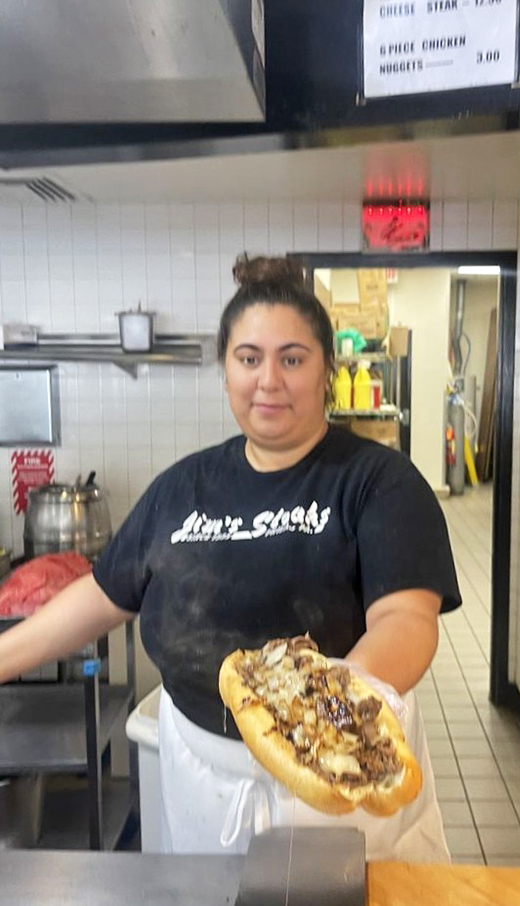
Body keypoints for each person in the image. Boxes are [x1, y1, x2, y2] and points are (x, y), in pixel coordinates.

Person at [0, 255, 461, 861]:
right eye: (249, 359)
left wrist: (332, 721)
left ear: (326, 371)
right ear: (226, 371)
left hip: (337, 771)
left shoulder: (379, 482)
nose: (268, 380)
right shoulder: (181, 488)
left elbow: (405, 618)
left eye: (292, 358)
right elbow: (104, 595)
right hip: (202, 768)